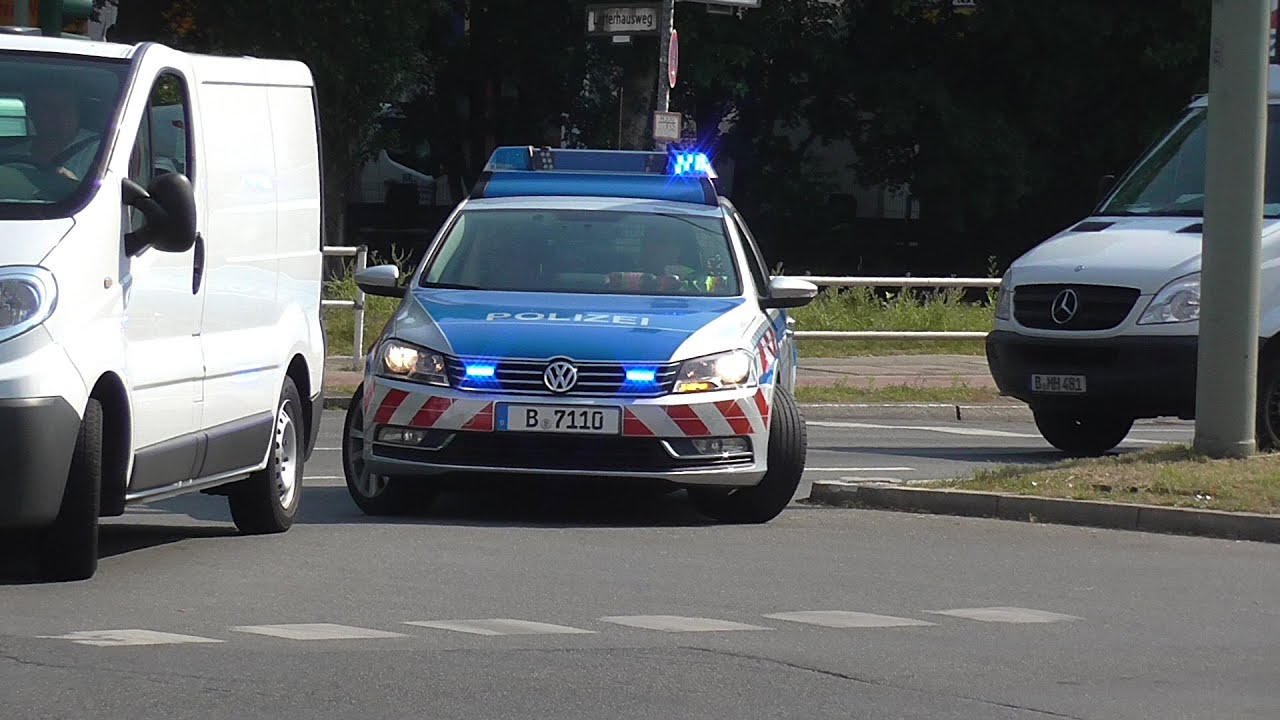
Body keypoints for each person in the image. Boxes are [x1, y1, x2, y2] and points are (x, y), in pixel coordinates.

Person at [16, 84, 99, 182]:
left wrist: (73, 187)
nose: (59, 116)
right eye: (49, 108)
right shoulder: (15, 155)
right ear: (30, 111)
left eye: (66, 107)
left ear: (77, 111)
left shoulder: (101, 151)